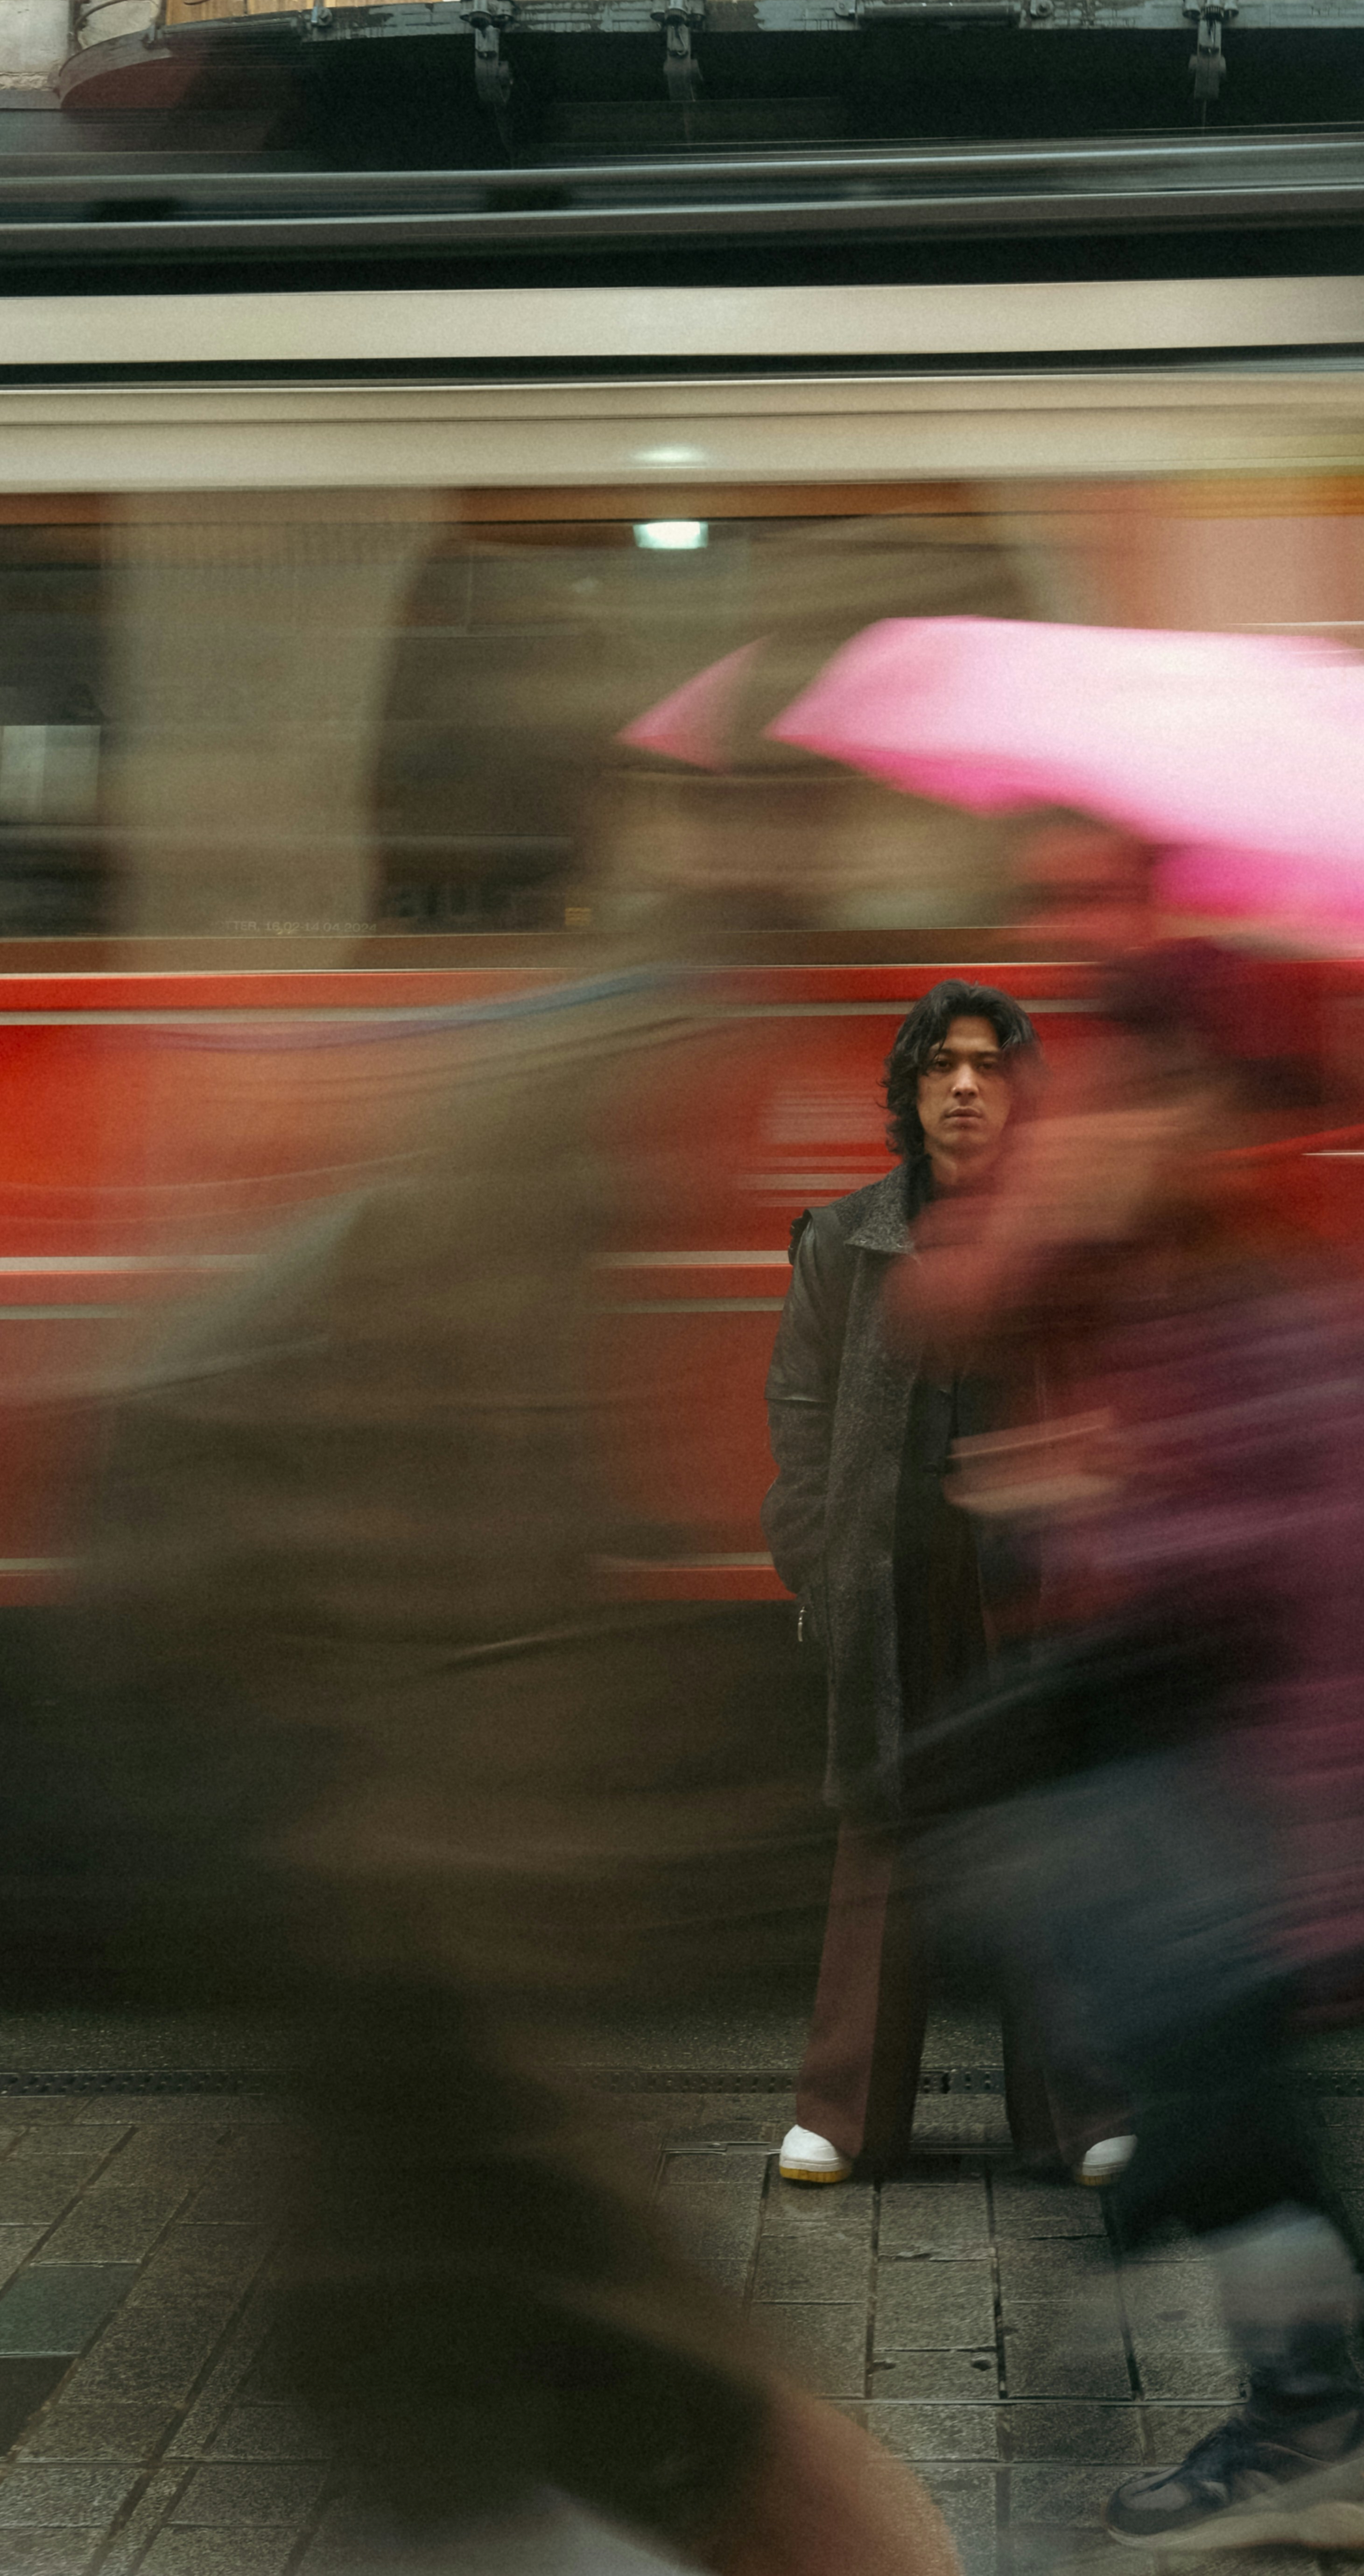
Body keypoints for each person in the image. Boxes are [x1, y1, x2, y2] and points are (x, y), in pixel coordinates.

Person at [31, 974, 965, 2576]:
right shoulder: (438, 1364)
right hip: (453, 2242)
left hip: (436, 2259)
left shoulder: (410, 1327)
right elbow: (446, 1914)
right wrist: (730, 2410)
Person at [888, 939, 1364, 2569]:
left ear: (1223, 1093)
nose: (1109, 1111)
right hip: (1216, 1821)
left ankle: (1351, 2471)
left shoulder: (1295, 1271)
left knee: (1202, 2163)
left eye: (1152, 1080)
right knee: (1240, 2164)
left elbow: (1297, 1551)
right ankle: (1333, 2450)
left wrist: (1104, 1507)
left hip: (1262, 1826)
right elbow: (939, 1308)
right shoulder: (1201, 1257)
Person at [762, 978, 1134, 2190]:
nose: (963, 1087)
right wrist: (816, 1556)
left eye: (985, 1065)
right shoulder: (841, 1239)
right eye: (938, 1067)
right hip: (891, 1584)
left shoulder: (1067, 1240)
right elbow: (800, 1416)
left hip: (1025, 1586)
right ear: (908, 1091)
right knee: (881, 1836)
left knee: (1046, 1831)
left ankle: (1078, 2113)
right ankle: (846, 2115)